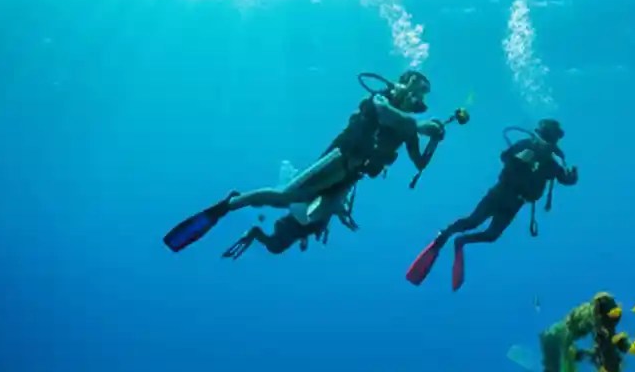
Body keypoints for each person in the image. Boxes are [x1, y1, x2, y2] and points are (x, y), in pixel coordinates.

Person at [163, 70, 453, 253]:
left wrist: (434, 142)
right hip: (341, 159)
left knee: (313, 218)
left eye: (420, 95)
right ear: (401, 83)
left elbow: (420, 163)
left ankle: (264, 226)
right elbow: (387, 116)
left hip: (352, 176)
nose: (416, 96)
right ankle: (229, 204)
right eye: (414, 87)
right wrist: (422, 126)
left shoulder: (410, 127)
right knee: (286, 196)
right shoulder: (380, 99)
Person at [405, 119, 578, 291]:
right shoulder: (526, 144)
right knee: (472, 222)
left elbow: (564, 178)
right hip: (500, 193)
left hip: (516, 203)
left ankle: (461, 241)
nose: (545, 144)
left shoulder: (551, 165)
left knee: (492, 235)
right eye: (544, 138)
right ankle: (443, 237)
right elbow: (504, 156)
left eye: (549, 141)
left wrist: (572, 178)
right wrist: (519, 159)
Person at [220, 174, 361, 259]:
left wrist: (245, 240)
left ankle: (238, 199)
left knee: (281, 198)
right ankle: (238, 199)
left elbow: (255, 231)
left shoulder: (282, 239)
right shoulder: (290, 236)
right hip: (300, 219)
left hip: (299, 218)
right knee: (283, 199)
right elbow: (256, 231)